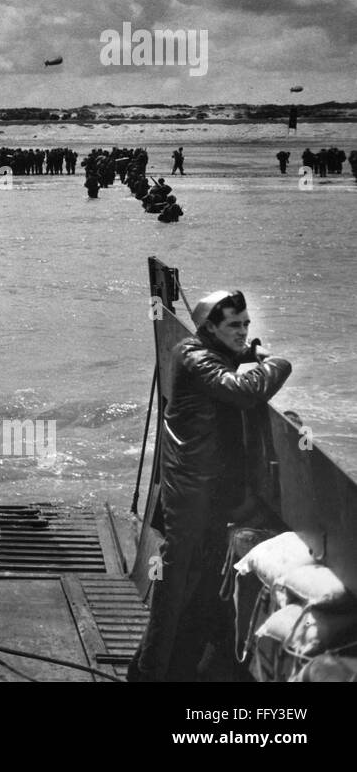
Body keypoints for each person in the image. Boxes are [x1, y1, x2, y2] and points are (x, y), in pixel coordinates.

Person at [129, 290, 291, 682]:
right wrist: (277, 363)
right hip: (192, 497)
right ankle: (150, 673)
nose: (243, 331)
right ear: (210, 328)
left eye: (246, 324)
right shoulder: (193, 355)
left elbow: (231, 368)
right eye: (234, 325)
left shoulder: (207, 352)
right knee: (175, 590)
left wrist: (246, 354)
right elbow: (242, 391)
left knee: (197, 590)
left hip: (205, 493)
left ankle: (177, 669)